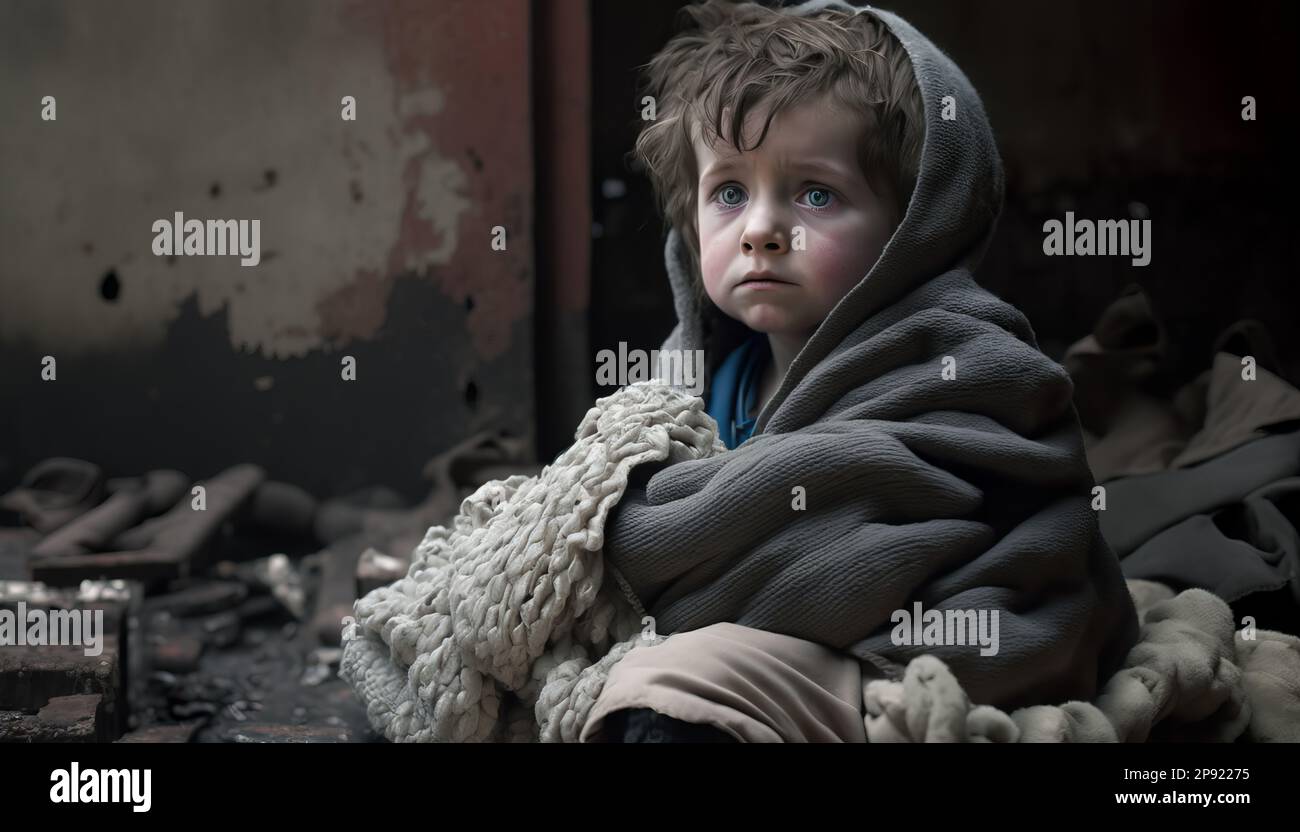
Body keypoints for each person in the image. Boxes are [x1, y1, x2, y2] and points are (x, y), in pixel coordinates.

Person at [582, 0, 1139, 743]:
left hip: (889, 666)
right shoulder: (685, 386)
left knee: (667, 692)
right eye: (729, 193)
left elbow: (1033, 556)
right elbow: (617, 516)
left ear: (913, 227)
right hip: (756, 664)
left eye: (816, 194)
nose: (761, 230)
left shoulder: (962, 369)